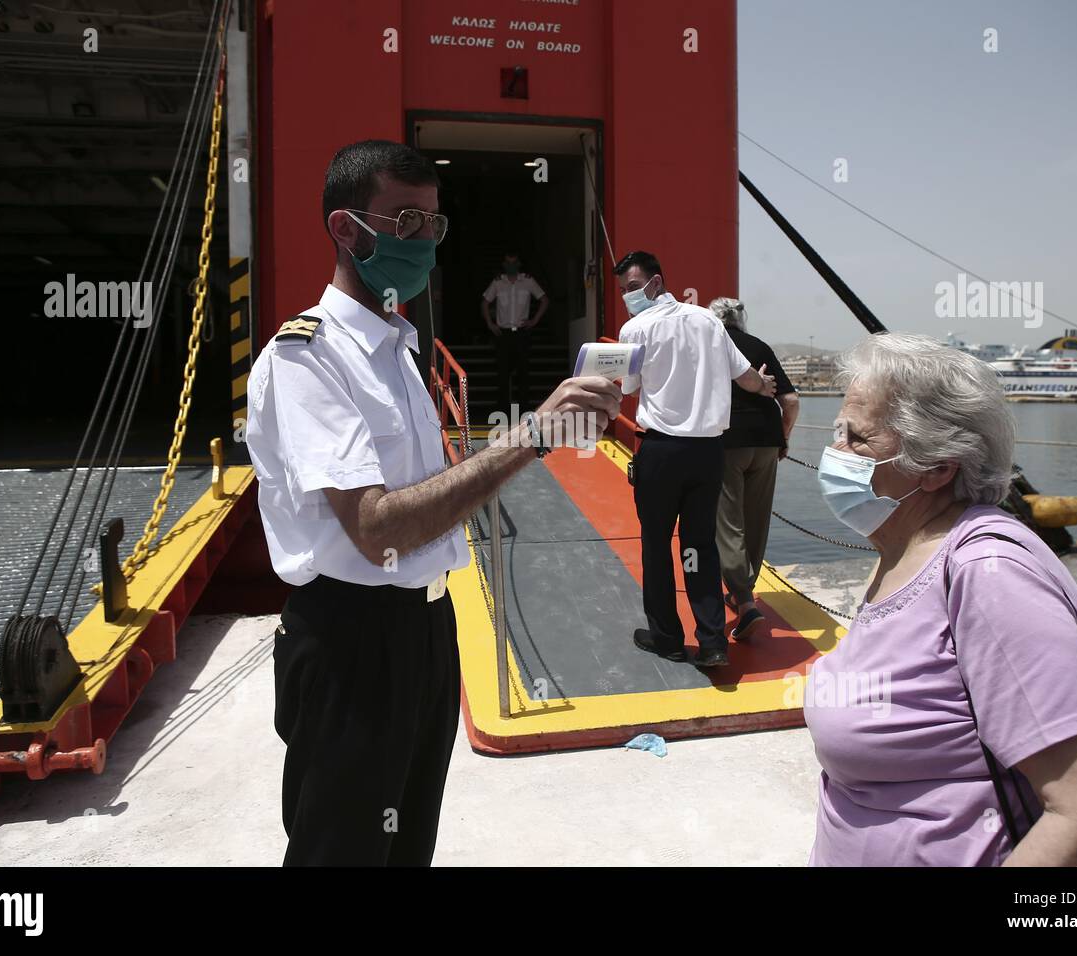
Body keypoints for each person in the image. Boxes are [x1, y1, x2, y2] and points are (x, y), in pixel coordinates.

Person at [246, 140, 621, 866]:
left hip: (426, 630)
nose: (423, 241)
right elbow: (377, 530)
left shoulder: (401, 350)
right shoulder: (308, 359)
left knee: (407, 844)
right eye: (406, 221)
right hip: (353, 642)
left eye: (434, 224)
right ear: (346, 228)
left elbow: (430, 498)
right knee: (342, 852)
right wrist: (530, 436)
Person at [804, 332, 1077, 866]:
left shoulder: (989, 575)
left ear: (938, 467)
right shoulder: (903, 552)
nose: (834, 453)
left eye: (858, 438)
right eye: (837, 432)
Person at [615, 252, 776, 669]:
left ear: (656, 282)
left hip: (661, 453)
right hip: (707, 454)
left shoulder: (635, 328)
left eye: (632, 288)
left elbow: (629, 386)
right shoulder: (709, 321)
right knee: (698, 547)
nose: (628, 296)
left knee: (656, 545)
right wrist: (763, 387)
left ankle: (667, 638)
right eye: (624, 291)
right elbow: (745, 376)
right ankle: (712, 642)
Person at [708, 297, 800, 641]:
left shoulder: (712, 345)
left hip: (727, 442)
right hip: (766, 441)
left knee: (728, 522)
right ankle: (743, 590)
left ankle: (745, 602)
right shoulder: (760, 347)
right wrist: (784, 436)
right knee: (756, 519)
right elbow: (790, 400)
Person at [481, 253, 548, 412]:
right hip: (503, 335)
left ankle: (524, 411)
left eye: (514, 263)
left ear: (519, 264)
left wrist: (534, 321)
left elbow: (544, 300)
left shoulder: (528, 281)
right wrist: (490, 324)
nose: (511, 266)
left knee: (523, 373)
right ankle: (503, 411)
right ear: (504, 265)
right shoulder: (498, 282)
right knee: (502, 373)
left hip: (521, 334)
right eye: (508, 263)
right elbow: (484, 302)